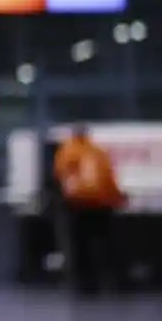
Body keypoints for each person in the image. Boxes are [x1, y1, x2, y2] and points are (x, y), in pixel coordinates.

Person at [54, 124, 128, 295]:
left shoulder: (66, 151)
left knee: (79, 246)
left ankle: (84, 283)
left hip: (77, 205)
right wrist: (118, 199)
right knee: (104, 244)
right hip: (101, 205)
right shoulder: (97, 152)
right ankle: (111, 280)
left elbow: (60, 176)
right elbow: (108, 178)